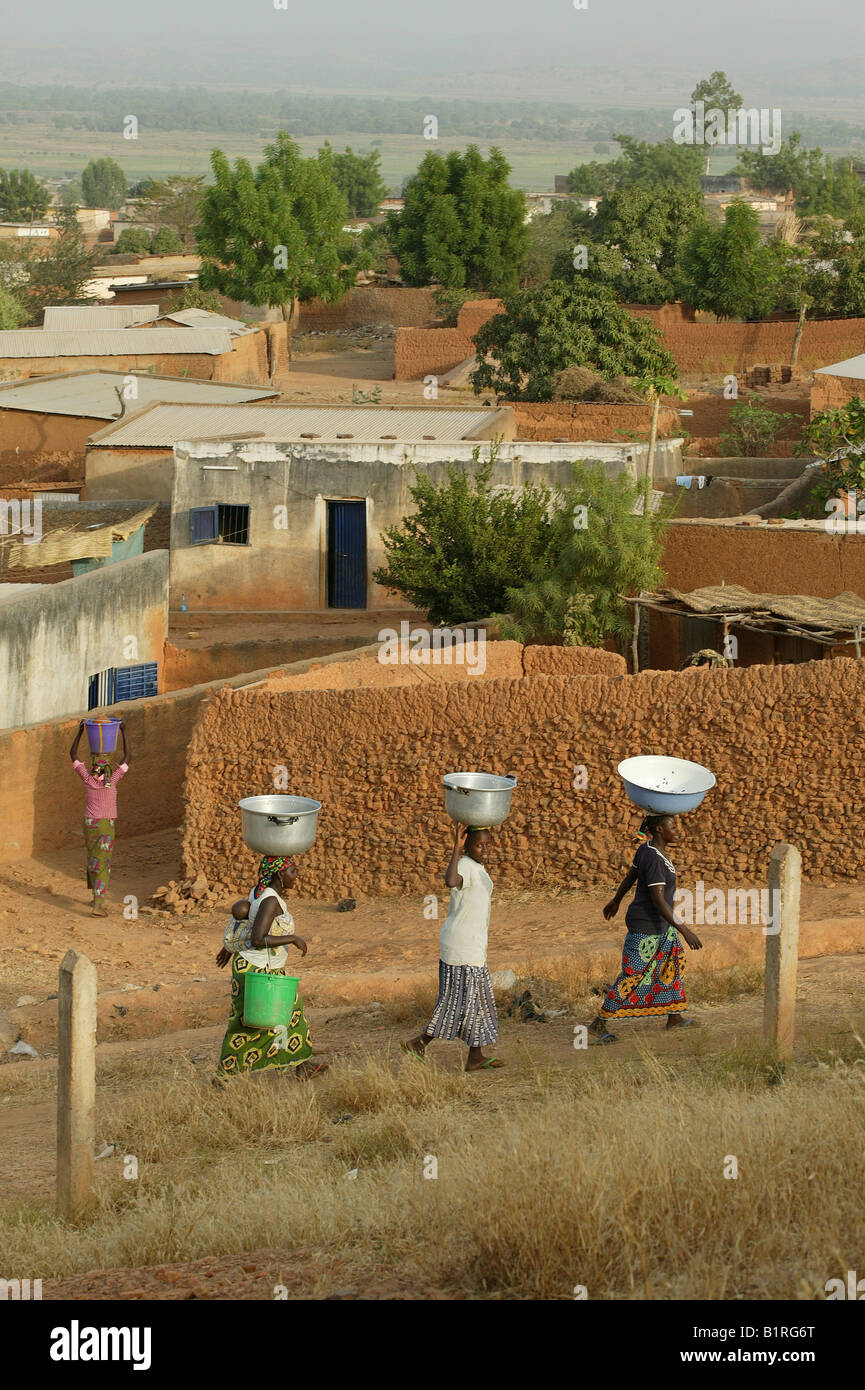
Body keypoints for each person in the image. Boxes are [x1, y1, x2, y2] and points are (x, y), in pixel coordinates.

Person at [589, 813, 702, 1043]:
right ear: (659, 829)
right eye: (673, 826)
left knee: (672, 966)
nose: (677, 830)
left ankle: (674, 1017)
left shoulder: (649, 850)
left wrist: (616, 899)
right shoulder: (653, 858)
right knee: (633, 974)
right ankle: (598, 1023)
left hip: (661, 927)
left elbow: (632, 875)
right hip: (647, 926)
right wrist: (685, 930)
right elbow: (658, 900)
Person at [404, 821, 504, 1073]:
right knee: (457, 1002)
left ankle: (475, 1057)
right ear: (468, 847)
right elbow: (450, 881)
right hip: (461, 946)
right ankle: (419, 1042)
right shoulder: (465, 865)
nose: (485, 848)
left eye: (488, 844)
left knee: (476, 1001)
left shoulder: (478, 868)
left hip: (472, 945)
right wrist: (455, 849)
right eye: (479, 845)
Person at [215, 854, 324, 1080]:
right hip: (258, 970)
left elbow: (246, 922)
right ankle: (224, 1076)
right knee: (252, 1022)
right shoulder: (271, 900)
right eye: (293, 871)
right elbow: (258, 938)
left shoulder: (258, 891)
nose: (297, 876)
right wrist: (292, 938)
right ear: (280, 874)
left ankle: (300, 1065)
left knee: (287, 1015)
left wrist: (229, 948)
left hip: (257, 967)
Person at [69, 719, 130, 917]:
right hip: (105, 825)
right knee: (104, 862)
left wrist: (80, 732)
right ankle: (98, 904)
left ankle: (94, 895)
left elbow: (73, 754)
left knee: (93, 857)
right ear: (108, 766)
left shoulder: (87, 778)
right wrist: (123, 731)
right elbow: (128, 756)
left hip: (89, 823)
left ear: (94, 765)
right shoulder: (112, 780)